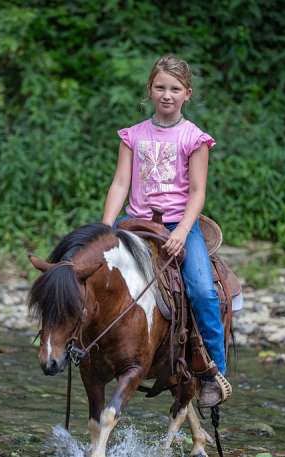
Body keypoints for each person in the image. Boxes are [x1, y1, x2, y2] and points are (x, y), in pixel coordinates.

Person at [101, 54, 229, 408]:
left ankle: (213, 372)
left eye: (175, 88)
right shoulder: (133, 135)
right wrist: (105, 227)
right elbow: (120, 183)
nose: (167, 95)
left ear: (187, 93)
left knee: (202, 291)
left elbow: (198, 192)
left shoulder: (194, 138)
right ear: (150, 89)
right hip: (137, 223)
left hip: (177, 225)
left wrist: (183, 230)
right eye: (160, 87)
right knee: (95, 274)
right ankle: (83, 345)